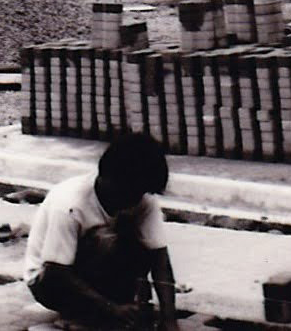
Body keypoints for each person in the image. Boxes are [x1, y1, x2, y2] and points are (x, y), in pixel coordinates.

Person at [25, 133, 180, 330]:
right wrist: (111, 308)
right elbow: (56, 271)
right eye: (130, 192)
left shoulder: (142, 199)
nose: (135, 199)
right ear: (109, 180)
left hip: (96, 274)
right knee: (103, 238)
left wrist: (169, 319)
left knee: (140, 241)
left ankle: (114, 308)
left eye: (140, 193)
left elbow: (160, 259)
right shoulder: (70, 203)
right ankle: (87, 313)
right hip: (49, 283)